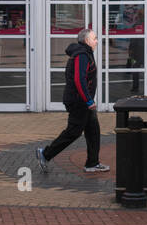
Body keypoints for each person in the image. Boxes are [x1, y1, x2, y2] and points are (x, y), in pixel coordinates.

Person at [38, 28, 109, 173]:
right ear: (87, 41)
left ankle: (92, 163)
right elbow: (79, 79)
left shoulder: (85, 53)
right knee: (73, 132)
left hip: (82, 101)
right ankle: (45, 154)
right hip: (79, 102)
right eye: (94, 38)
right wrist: (88, 101)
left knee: (93, 131)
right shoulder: (81, 55)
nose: (97, 41)